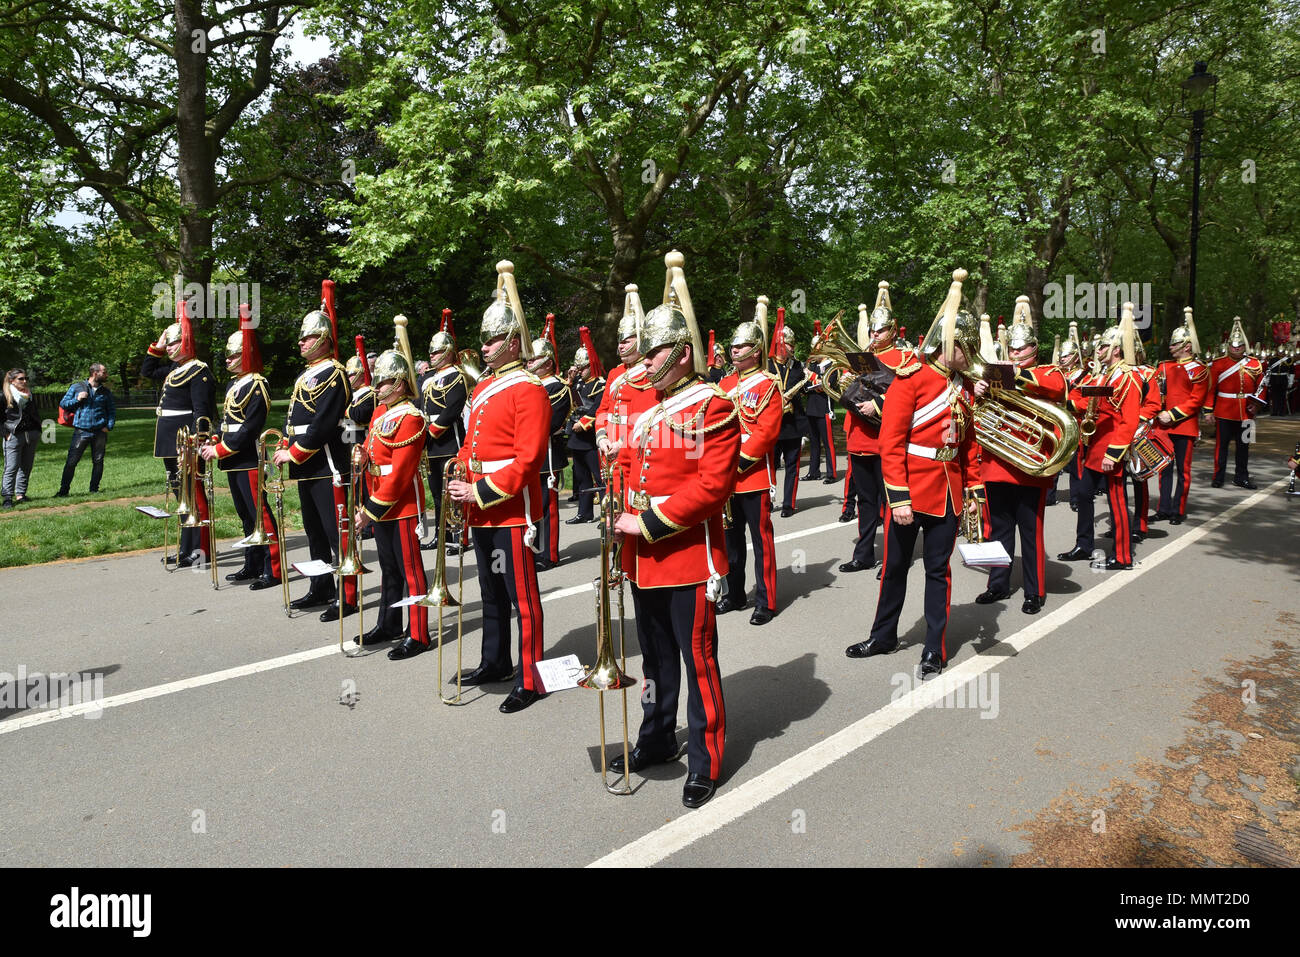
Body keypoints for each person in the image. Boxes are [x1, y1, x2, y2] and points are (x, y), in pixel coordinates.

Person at [610, 250, 738, 809]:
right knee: (655, 658)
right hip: (643, 555)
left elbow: (712, 487)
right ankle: (657, 738)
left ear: (683, 354)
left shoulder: (712, 405)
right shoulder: (649, 410)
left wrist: (648, 521)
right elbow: (638, 473)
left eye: (655, 349)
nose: (645, 358)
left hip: (687, 554)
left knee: (696, 657)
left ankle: (706, 760)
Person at [845, 269, 984, 678]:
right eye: (967, 348)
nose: (971, 355)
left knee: (938, 571)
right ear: (950, 344)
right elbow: (891, 441)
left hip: (948, 491)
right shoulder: (912, 378)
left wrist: (974, 488)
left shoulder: (962, 386)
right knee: (894, 568)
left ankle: (934, 649)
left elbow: (969, 444)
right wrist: (899, 496)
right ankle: (883, 635)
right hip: (910, 489)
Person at [447, 261, 552, 714]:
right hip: (481, 506)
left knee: (522, 596)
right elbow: (474, 441)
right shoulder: (488, 385)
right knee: (490, 590)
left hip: (511, 508)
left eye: (492, 339)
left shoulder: (529, 389)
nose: (484, 347)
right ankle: (495, 660)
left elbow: (528, 459)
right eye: (485, 339)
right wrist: (460, 471)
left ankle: (531, 677)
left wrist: (481, 491)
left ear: (512, 342)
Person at [975, 296, 1068, 615]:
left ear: (1033, 350)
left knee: (1031, 530)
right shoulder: (995, 372)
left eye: (1021, 350)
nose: (1015, 354)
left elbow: (1056, 387)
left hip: (1030, 465)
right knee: (996, 529)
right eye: (1012, 350)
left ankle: (1034, 590)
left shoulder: (1047, 371)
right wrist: (979, 389)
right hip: (997, 461)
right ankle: (996, 584)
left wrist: (1012, 374)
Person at [272, 286, 358, 622]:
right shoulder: (307, 374)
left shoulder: (334, 373)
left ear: (323, 339)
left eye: (307, 338)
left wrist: (294, 453)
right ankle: (321, 585)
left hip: (326, 464)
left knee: (337, 530)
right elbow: (295, 416)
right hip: (306, 465)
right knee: (314, 531)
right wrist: (284, 443)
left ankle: (348, 595)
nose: (300, 342)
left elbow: (323, 424)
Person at [354, 345, 432, 661]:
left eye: (384, 382)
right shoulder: (379, 412)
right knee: (389, 569)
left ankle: (419, 633)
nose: (377, 386)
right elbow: (376, 455)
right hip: (379, 497)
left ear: (399, 383)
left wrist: (370, 511)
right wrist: (361, 456)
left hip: (401, 505)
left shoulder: (411, 417)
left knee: (411, 571)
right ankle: (389, 624)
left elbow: (400, 474)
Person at [837, 285, 916, 573]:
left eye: (880, 331)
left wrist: (880, 404)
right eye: (872, 330)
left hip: (885, 439)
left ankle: (894, 557)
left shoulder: (905, 358)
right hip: (859, 437)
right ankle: (864, 554)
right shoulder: (862, 357)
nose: (874, 335)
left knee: (889, 501)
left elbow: (907, 392)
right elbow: (849, 389)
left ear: (892, 331)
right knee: (866, 501)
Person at [1058, 305, 1143, 570]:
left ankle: (1123, 555)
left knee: (1117, 502)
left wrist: (1114, 452)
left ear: (1116, 349)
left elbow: (1129, 420)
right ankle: (1084, 545)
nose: (1099, 351)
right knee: (1083, 496)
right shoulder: (1102, 374)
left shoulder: (1129, 377)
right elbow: (1084, 400)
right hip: (1091, 447)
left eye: (1104, 347)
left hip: (1110, 450)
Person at [199, 322, 280, 590]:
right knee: (245, 515)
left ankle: (273, 568)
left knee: (260, 514)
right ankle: (253, 563)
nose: (228, 359)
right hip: (234, 458)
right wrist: (215, 439)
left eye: (234, 355)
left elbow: (249, 427)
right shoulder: (235, 384)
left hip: (248, 456)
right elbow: (231, 422)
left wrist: (220, 449)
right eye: (228, 355)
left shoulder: (257, 383)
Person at [718, 295, 783, 625]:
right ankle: (735, 593)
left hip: (751, 474)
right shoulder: (725, 384)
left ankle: (766, 601)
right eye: (733, 346)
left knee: (761, 542)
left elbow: (766, 432)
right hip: (725, 478)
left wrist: (738, 463)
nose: (735, 351)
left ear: (757, 350)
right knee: (730, 541)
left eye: (742, 347)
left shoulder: (769, 384)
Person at [141, 312, 216, 566]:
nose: (170, 348)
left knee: (194, 496)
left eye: (174, 343)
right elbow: (147, 370)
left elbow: (202, 411)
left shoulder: (198, 370)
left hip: (186, 442)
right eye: (169, 344)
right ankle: (186, 549)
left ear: (186, 343)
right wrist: (157, 346)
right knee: (181, 496)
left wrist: (197, 442)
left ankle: (201, 549)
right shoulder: (176, 368)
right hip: (169, 439)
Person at [419, 311, 470, 549]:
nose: (432, 354)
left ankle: (457, 535)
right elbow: (422, 408)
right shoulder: (428, 379)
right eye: (431, 351)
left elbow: (453, 408)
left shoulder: (457, 375)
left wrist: (433, 430)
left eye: (437, 351)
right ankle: (442, 536)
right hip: (430, 445)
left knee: (453, 493)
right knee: (438, 495)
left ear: (449, 353)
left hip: (449, 440)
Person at [527, 328, 572, 570]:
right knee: (532, 506)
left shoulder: (557, 387)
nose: (529, 363)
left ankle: (548, 554)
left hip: (547, 455)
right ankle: (533, 550)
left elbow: (549, 423)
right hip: (528, 453)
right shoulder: (529, 385)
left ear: (547, 362)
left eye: (533, 359)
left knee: (547, 507)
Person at [1209, 317, 1265, 489]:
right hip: (1224, 411)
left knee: (1244, 446)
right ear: (1228, 346)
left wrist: (1257, 404)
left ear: (1244, 347)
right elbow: (1210, 389)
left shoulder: (1254, 364)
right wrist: (1207, 411)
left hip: (1247, 412)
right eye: (1233, 346)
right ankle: (1218, 477)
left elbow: (1262, 386)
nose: (1236, 349)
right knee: (1221, 446)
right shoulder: (1218, 364)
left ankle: (1242, 477)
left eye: (1239, 346)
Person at [56, 363, 116, 496]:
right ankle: (63, 491)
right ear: (95, 373)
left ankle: (94, 490)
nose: (106, 375)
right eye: (104, 372)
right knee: (71, 461)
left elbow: (111, 410)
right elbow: (63, 403)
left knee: (98, 461)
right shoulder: (77, 387)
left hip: (100, 431)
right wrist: (77, 399)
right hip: (81, 431)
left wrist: (109, 426)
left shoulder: (105, 392)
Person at [767, 316, 806, 516]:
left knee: (792, 466)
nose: (793, 347)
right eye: (789, 344)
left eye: (793, 344)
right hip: (773, 424)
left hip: (794, 423)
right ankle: (769, 500)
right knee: (771, 465)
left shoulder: (798, 365)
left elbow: (804, 387)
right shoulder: (766, 365)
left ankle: (789, 504)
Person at [565, 332, 605, 524]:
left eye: (583, 368)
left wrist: (586, 422)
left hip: (590, 438)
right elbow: (571, 402)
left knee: (600, 477)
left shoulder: (600, 384)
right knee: (581, 478)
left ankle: (607, 513)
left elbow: (599, 408)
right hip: (576, 437)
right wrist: (570, 382)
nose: (580, 371)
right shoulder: (578, 383)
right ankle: (584, 512)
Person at [803, 320, 838, 484]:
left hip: (825, 407)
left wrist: (811, 377)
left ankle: (831, 473)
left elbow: (827, 385)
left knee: (828, 443)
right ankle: (813, 471)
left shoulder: (832, 365)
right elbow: (807, 386)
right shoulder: (813, 366)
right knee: (814, 442)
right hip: (811, 407)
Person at [2, 368, 41, 508]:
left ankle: (21, 495)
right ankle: (7, 497)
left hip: (31, 434)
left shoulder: (29, 395)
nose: (24, 381)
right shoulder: (5, 395)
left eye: (26, 379)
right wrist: (5, 433)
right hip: (13, 435)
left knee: (26, 466)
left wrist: (37, 429)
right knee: (11, 467)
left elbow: (35, 412)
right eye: (21, 379)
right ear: (12, 380)